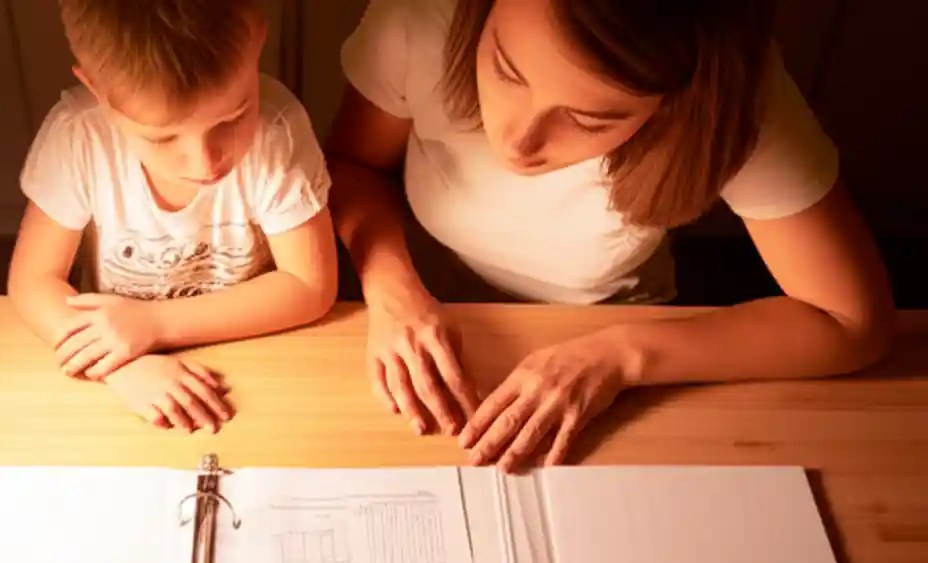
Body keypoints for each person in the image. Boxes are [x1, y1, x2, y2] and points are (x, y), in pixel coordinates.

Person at [327, 0, 894, 470]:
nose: (518, 140)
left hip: (612, 321)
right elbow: (352, 165)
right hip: (427, 304)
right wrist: (394, 293)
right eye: (506, 69)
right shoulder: (424, 16)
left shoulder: (733, 92)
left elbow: (851, 321)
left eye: (591, 119)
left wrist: (620, 356)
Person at [8, 0, 337, 434]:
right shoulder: (79, 135)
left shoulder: (277, 132)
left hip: (252, 355)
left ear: (259, 38)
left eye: (233, 116)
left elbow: (309, 285)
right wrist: (120, 364)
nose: (205, 162)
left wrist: (154, 325)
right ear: (97, 91)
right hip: (129, 378)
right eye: (161, 138)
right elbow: (33, 281)